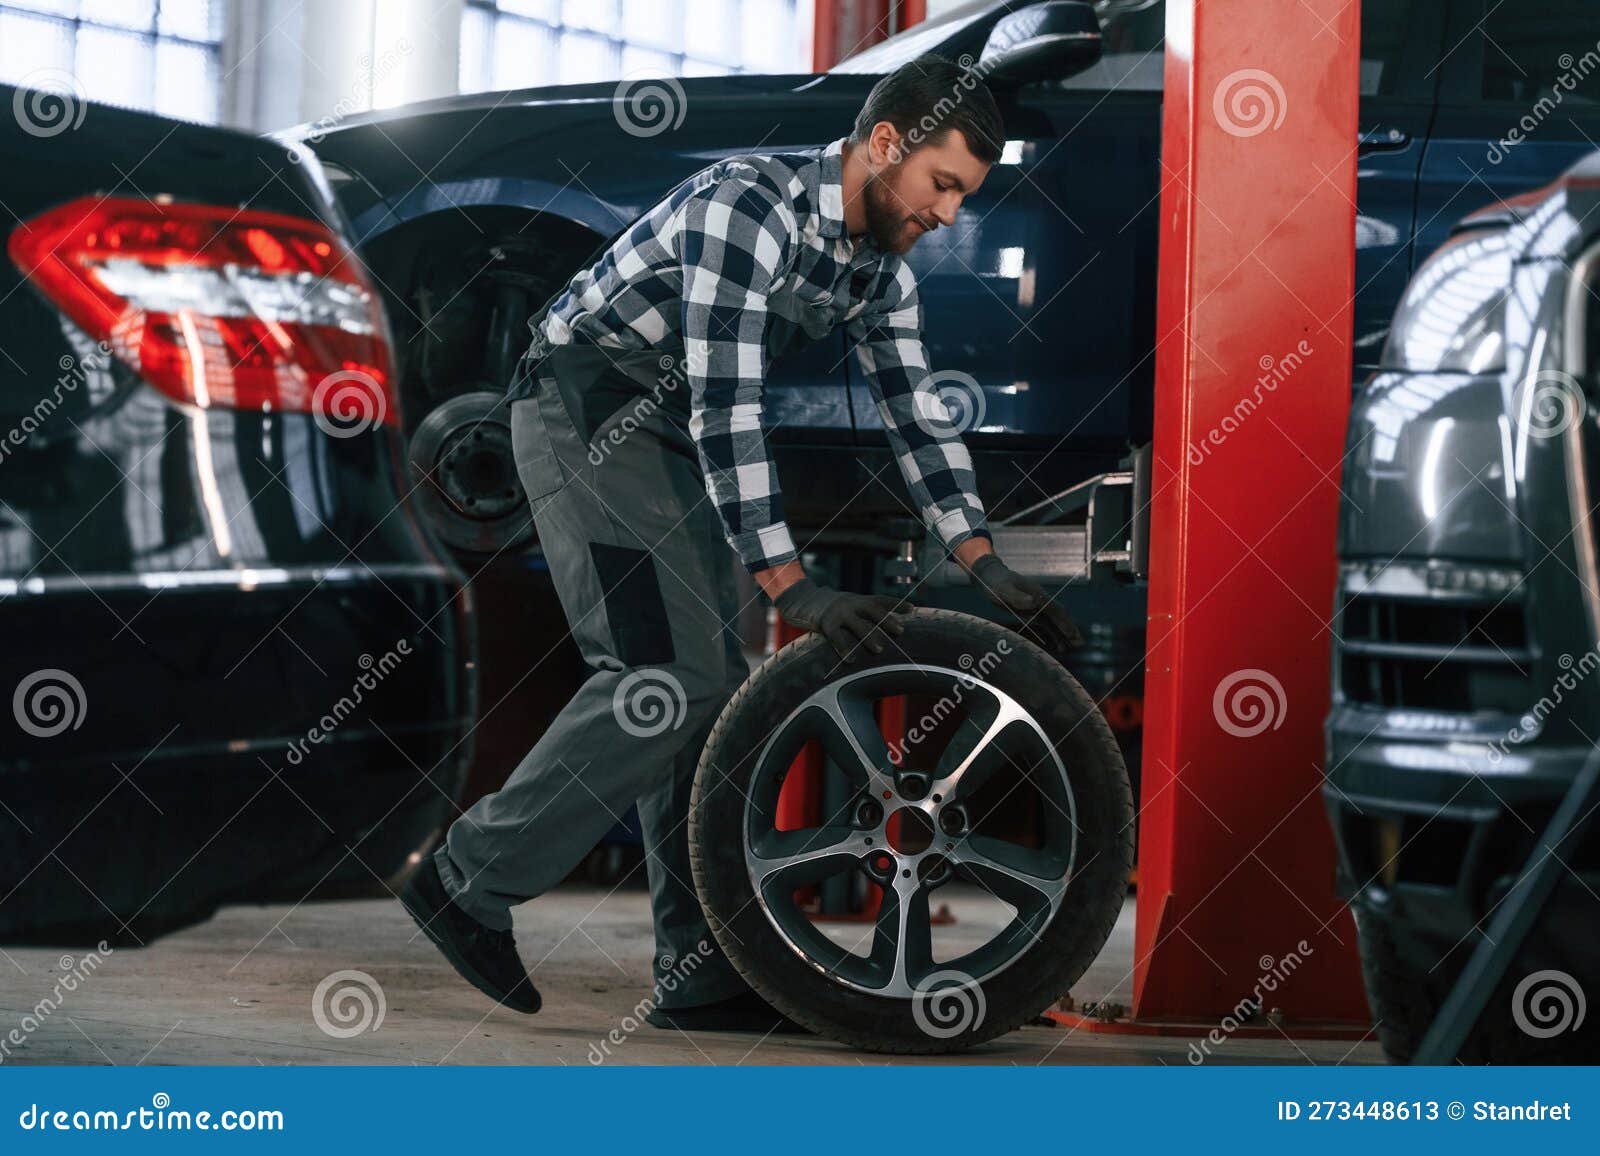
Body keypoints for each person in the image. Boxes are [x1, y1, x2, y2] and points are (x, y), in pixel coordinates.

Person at [401, 53, 1081, 1032]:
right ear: (885, 145)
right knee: (664, 676)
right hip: (586, 401)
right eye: (941, 185)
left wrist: (984, 561)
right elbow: (729, 404)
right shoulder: (745, 205)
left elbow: (919, 421)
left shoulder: (876, 276)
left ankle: (693, 964)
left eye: (963, 197)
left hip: (666, 433)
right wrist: (790, 583)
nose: (947, 214)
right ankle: (467, 877)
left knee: (712, 676)